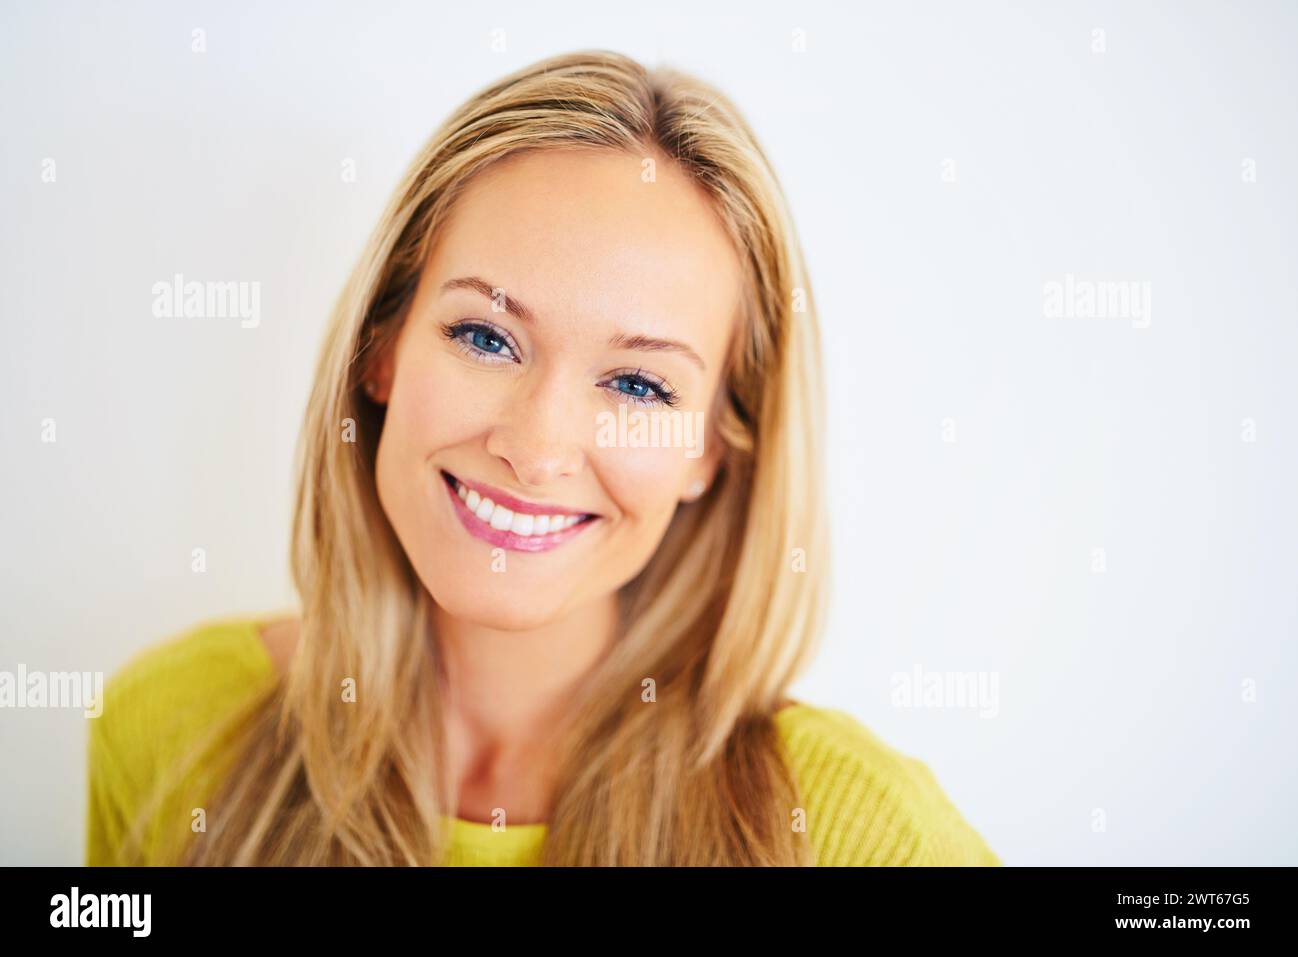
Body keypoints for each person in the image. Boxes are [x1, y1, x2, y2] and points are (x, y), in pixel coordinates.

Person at [86, 49, 1000, 867]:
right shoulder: (168, 728)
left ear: (708, 454)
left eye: (639, 386)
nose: (534, 448)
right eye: (485, 336)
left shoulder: (867, 839)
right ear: (383, 350)